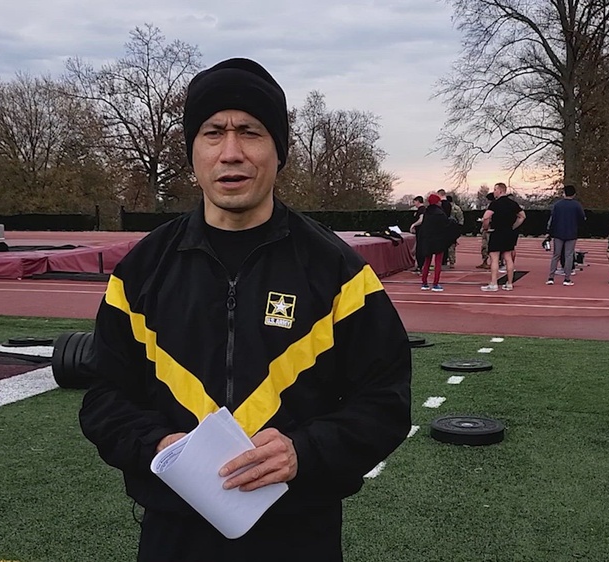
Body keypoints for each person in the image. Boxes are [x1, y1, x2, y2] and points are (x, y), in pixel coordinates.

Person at [79, 57, 412, 562]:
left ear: (279, 152)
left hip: (300, 534)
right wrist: (156, 445)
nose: (231, 152)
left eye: (250, 132)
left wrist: (304, 451)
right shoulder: (141, 271)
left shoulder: (338, 272)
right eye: (213, 132)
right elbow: (103, 395)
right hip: (173, 533)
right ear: (193, 152)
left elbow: (386, 402)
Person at [480, 182, 525, 291]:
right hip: (509, 232)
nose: (494, 192)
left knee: (494, 257)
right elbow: (522, 216)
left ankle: (494, 283)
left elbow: (486, 217)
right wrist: (514, 226)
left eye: (495, 190)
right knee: (508, 258)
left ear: (500, 190)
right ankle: (509, 283)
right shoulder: (513, 204)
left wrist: (485, 227)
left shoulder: (495, 204)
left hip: (497, 232)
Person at [416, 193, 458, 291]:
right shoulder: (440, 213)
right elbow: (446, 226)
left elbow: (424, 227)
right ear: (437, 202)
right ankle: (435, 284)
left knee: (427, 262)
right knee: (438, 262)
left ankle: (424, 283)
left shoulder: (426, 213)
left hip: (427, 240)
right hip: (438, 241)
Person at [545, 185, 585, 286]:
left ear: (564, 193)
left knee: (556, 255)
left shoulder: (557, 205)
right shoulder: (577, 205)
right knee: (569, 255)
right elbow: (582, 219)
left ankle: (551, 277)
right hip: (571, 233)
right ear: (574, 194)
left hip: (558, 233)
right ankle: (567, 279)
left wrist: (549, 233)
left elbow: (552, 219)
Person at [437, 191, 465, 269]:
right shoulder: (456, 208)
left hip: (448, 228)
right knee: (451, 246)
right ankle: (451, 261)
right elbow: (461, 219)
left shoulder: (443, 206)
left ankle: (445, 261)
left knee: (447, 245)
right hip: (453, 227)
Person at [476, 191, 495, 269]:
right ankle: (486, 262)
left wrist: (484, 225)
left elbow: (488, 218)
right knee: (486, 246)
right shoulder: (493, 206)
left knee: (486, 246)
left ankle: (489, 262)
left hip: (488, 229)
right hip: (489, 229)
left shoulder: (492, 207)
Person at [408, 195, 425, 273]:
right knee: (419, 249)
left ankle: (420, 266)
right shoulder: (420, 210)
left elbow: (421, 219)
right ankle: (420, 266)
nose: (414, 204)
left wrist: (414, 225)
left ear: (418, 201)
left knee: (420, 249)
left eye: (414, 202)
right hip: (420, 232)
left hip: (421, 233)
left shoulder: (422, 209)